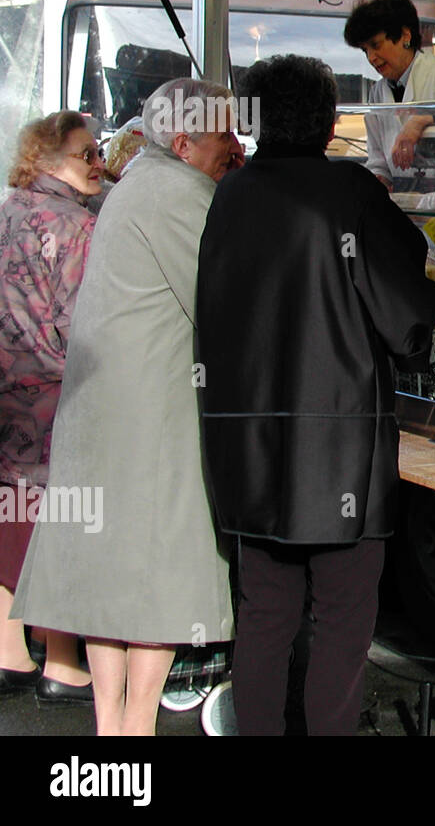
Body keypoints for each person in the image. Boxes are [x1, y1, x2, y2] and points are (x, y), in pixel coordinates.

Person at [195, 54, 435, 735]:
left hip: (247, 452)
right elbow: (408, 316)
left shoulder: (231, 195)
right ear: (331, 120)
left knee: (265, 619)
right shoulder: (351, 193)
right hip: (339, 455)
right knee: (341, 623)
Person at [11, 79, 242, 735]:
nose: (235, 144)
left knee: (104, 574)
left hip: (96, 409)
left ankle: (112, 724)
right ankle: (136, 725)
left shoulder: (135, 182)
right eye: (224, 133)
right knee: (157, 571)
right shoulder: (180, 194)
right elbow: (217, 303)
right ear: (184, 142)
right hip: (150, 415)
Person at [0, 112, 103, 703]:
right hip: (54, 396)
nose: (97, 162)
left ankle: (11, 651)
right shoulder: (74, 227)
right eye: (84, 154)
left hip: (8, 394)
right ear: (45, 160)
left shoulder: (9, 207)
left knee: (12, 518)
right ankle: (63, 664)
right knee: (59, 523)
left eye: (97, 152)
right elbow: (79, 324)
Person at [343, 0, 435, 190]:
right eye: (365, 50)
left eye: (376, 45)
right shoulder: (377, 92)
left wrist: (423, 119)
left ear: (405, 36)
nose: (371, 58)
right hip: (406, 198)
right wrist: (378, 179)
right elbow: (379, 161)